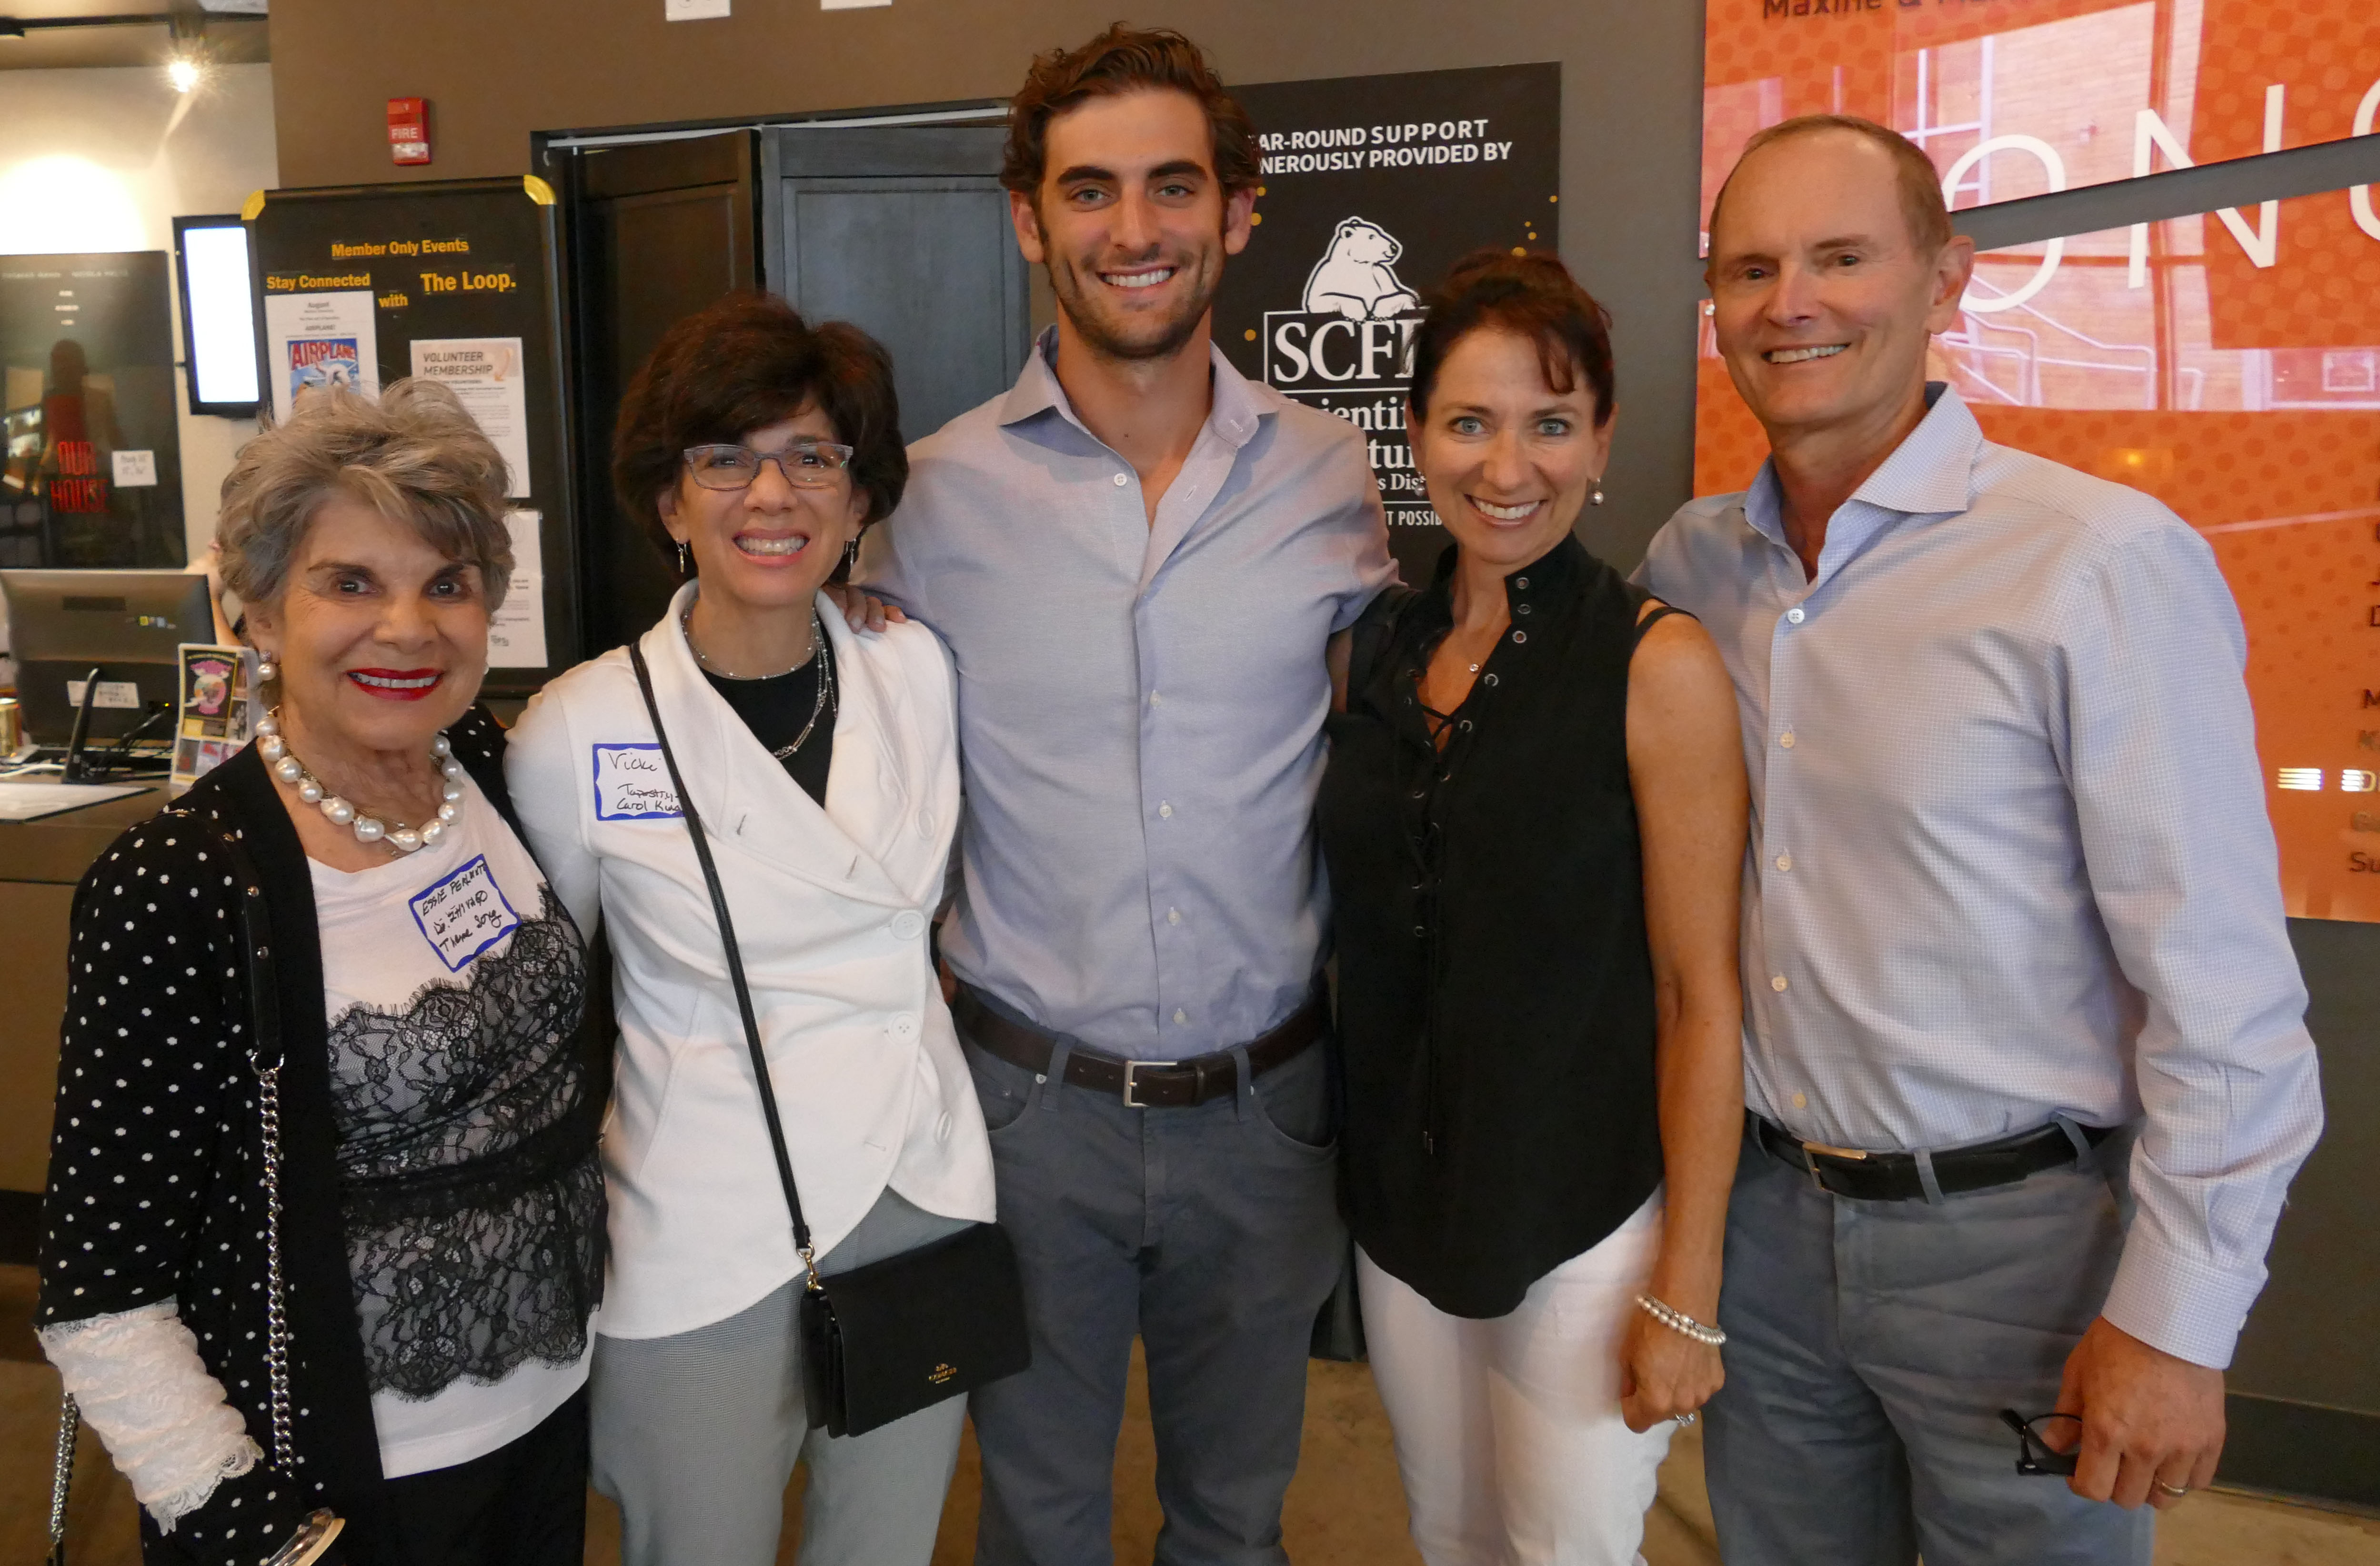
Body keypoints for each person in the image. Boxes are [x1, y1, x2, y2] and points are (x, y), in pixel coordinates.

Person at [1641, 114, 2326, 1565]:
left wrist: (2173, 1318)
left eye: (1839, 258)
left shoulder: (2093, 565)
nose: (1790, 303)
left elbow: (2222, 994)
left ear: (1945, 279)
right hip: (1762, 1229)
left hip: (2019, 1253)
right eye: (1749, 268)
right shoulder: (1692, 567)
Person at [854, 25, 1395, 1566]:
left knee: (1236, 1516)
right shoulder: (930, 499)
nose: (1133, 230)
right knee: (1037, 1518)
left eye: (1171, 186)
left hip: (1267, 1109)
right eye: (1088, 191)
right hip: (1029, 1110)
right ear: (1029, 219)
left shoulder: (1329, 473)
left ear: (1237, 209)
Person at [38, 380, 606, 1566]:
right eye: (350, 582)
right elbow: (101, 1294)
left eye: (444, 584)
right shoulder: (183, 882)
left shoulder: (492, 774)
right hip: (338, 1492)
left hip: (547, 1430)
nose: (407, 628)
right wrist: (269, 1536)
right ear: (252, 607)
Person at [505, 291, 996, 1566]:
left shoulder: (914, 670)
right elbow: (558, 1006)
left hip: (915, 1184)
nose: (768, 494)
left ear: (857, 499)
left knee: (883, 1550)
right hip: (705, 1213)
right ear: (670, 503)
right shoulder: (578, 728)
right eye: (724, 458)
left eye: (811, 457)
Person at [1317, 249, 1748, 1566]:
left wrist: (1685, 1286)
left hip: (1582, 1218)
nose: (1508, 467)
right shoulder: (1372, 648)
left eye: (1548, 424)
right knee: (1450, 1537)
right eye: (1469, 421)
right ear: (1414, 435)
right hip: (1400, 1206)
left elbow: (1697, 994)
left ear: (1599, 438)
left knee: (1562, 1552)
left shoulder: (1653, 661)